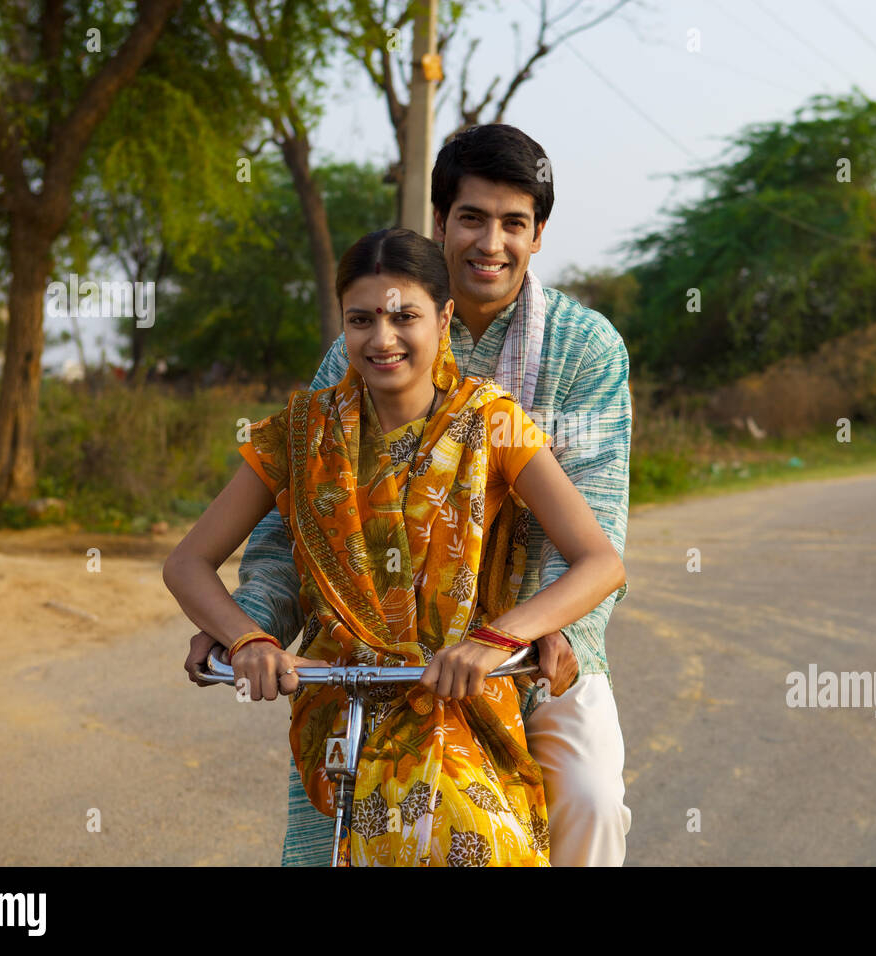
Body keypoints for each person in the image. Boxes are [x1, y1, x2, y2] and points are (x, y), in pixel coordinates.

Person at [186, 124, 635, 866]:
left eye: (513, 223)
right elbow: (296, 520)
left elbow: (595, 523)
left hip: (528, 650)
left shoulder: (584, 350)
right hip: (373, 665)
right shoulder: (359, 349)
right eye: (472, 218)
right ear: (441, 223)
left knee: (587, 800)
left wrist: (547, 638)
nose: (491, 243)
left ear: (539, 234)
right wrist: (247, 626)